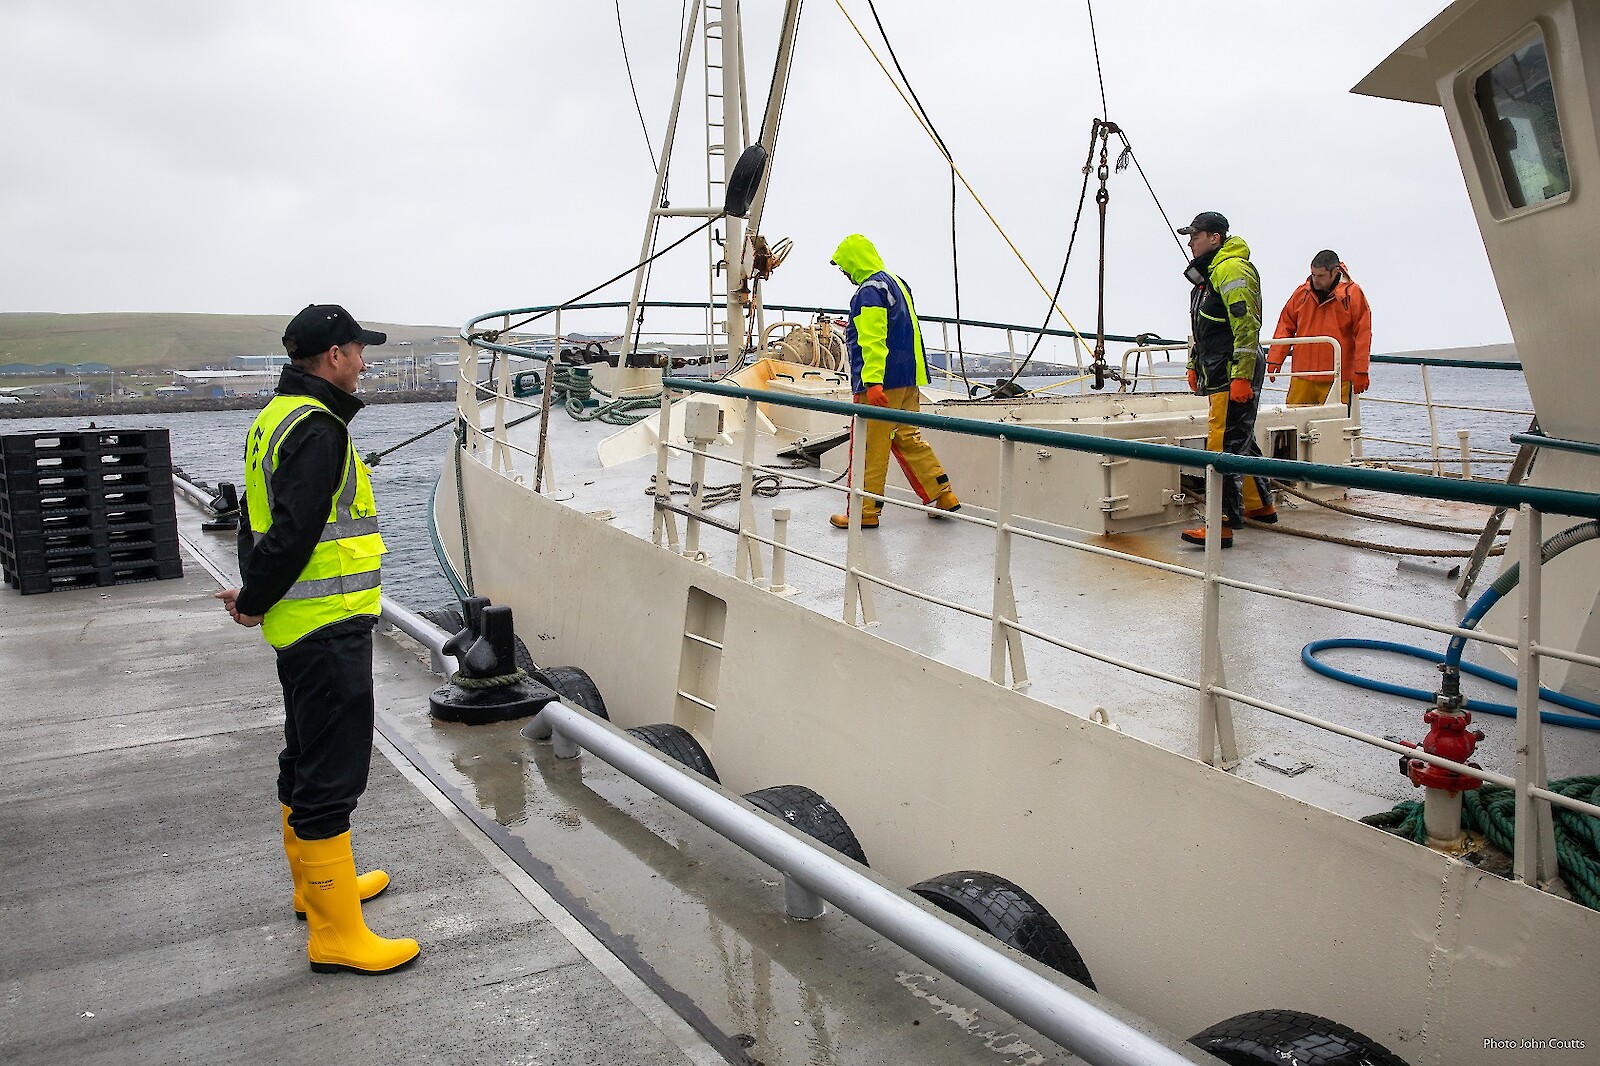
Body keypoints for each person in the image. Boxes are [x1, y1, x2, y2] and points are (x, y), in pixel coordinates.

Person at [214, 304, 419, 976]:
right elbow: (297, 531)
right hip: (328, 626)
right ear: (334, 356)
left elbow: (254, 519)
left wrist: (254, 594)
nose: (365, 363)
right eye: (360, 351)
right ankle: (336, 935)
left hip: (302, 626)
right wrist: (253, 598)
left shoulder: (276, 418)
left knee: (302, 759)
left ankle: (316, 890)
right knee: (331, 775)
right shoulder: (320, 428)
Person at [827, 234, 960, 529]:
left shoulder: (868, 292)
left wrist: (872, 382)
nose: (844, 273)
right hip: (909, 379)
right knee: (906, 436)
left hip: (881, 384)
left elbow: (873, 339)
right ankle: (942, 494)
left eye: (843, 267)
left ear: (853, 261)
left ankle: (864, 511)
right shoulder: (897, 282)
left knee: (869, 447)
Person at [1178, 212, 1275, 547]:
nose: (1190, 242)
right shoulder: (1209, 275)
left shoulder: (1231, 270)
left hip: (1231, 370)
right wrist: (1193, 363)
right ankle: (1259, 505)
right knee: (1240, 439)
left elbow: (1246, 326)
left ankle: (1222, 524)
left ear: (1214, 237)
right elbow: (1202, 329)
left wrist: (1242, 377)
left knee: (1222, 445)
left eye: (1196, 235)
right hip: (1219, 368)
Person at [1269, 250, 1372, 407]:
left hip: (1338, 377)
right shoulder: (1301, 293)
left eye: (1321, 276)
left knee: (1335, 427)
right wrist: (1275, 359)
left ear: (1335, 272)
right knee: (1295, 422)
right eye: (1313, 275)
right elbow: (1285, 324)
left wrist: (1361, 371)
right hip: (1302, 376)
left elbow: (1363, 333)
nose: (1315, 280)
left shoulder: (1353, 295)